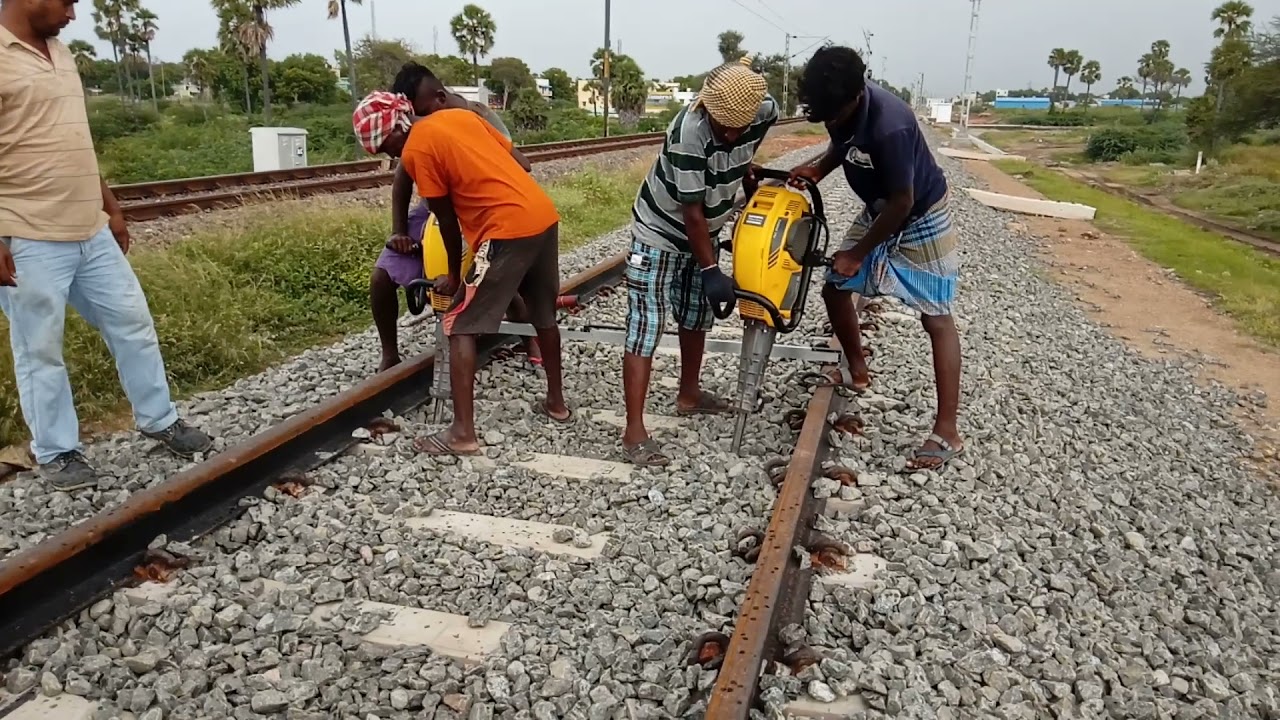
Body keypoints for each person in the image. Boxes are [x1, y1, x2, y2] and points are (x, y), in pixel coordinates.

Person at [0, 0, 213, 491]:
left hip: (88, 228)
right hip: (28, 231)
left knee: (132, 323)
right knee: (40, 349)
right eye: (68, 1)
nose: (73, 14)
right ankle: (56, 452)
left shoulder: (61, 52)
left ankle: (160, 420)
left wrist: (111, 208)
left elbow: (75, 142)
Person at [358, 68, 569, 456]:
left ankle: (462, 434)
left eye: (383, 145)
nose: (386, 155)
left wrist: (455, 276)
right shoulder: (461, 117)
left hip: (505, 229)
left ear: (396, 128)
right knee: (544, 314)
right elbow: (520, 162)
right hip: (542, 215)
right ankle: (557, 404)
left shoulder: (418, 151)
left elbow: (447, 221)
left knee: (459, 323)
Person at [789, 45, 964, 471]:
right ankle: (857, 370)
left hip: (919, 213)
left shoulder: (892, 126)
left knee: (935, 317)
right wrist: (818, 169)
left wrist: (858, 253)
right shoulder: (840, 101)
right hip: (879, 207)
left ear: (857, 96)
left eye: (834, 113)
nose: (829, 121)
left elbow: (903, 202)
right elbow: (842, 141)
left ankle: (947, 431)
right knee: (834, 288)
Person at [621, 61, 777, 466]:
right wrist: (711, 271)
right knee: (646, 324)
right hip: (661, 231)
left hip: (704, 231)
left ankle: (689, 394)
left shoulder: (764, 112)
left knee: (695, 316)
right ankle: (634, 431)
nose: (729, 134)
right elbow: (691, 212)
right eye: (722, 125)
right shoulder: (687, 133)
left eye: (737, 128)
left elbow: (740, 152)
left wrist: (741, 170)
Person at [359, 62, 542, 371]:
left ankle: (529, 339)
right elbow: (404, 180)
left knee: (495, 274)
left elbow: (518, 165)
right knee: (380, 277)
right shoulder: (415, 129)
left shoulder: (478, 116)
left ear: (438, 99)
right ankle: (389, 354)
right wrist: (399, 230)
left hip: (478, 206)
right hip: (432, 209)